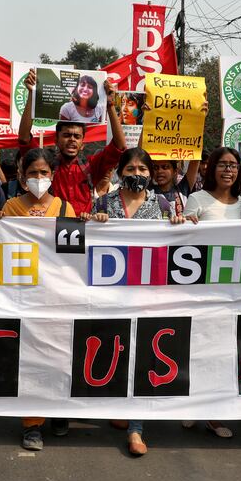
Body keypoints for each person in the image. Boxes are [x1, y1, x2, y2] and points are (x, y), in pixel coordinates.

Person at [90, 147, 188, 456]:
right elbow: (87, 239)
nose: (138, 175)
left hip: (150, 294)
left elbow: (179, 242)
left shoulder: (163, 204)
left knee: (145, 356)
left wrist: (184, 224)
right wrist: (95, 221)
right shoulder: (103, 202)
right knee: (118, 353)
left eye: (143, 170)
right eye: (131, 169)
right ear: (120, 173)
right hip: (112, 295)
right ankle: (120, 406)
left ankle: (137, 428)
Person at [0, 147, 77, 450]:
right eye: (32, 173)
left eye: (43, 173)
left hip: (56, 297)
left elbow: (74, 258)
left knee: (59, 358)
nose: (38, 178)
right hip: (22, 296)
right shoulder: (10, 208)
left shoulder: (66, 210)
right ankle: (31, 424)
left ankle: (58, 411)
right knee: (29, 361)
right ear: (22, 177)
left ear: (52, 175)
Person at [185, 146, 241, 436]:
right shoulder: (196, 199)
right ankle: (196, 406)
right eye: (222, 165)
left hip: (235, 293)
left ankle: (213, 413)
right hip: (201, 290)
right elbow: (179, 240)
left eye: (233, 165)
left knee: (224, 353)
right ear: (210, 169)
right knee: (199, 350)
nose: (228, 170)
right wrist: (185, 224)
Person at [18, 68, 126, 215]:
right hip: (50, 231)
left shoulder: (91, 166)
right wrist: (32, 93)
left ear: (83, 144)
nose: (71, 140)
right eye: (67, 135)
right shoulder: (45, 165)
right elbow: (24, 138)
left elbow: (120, 146)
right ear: (56, 139)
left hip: (82, 232)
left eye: (77, 137)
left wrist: (110, 106)